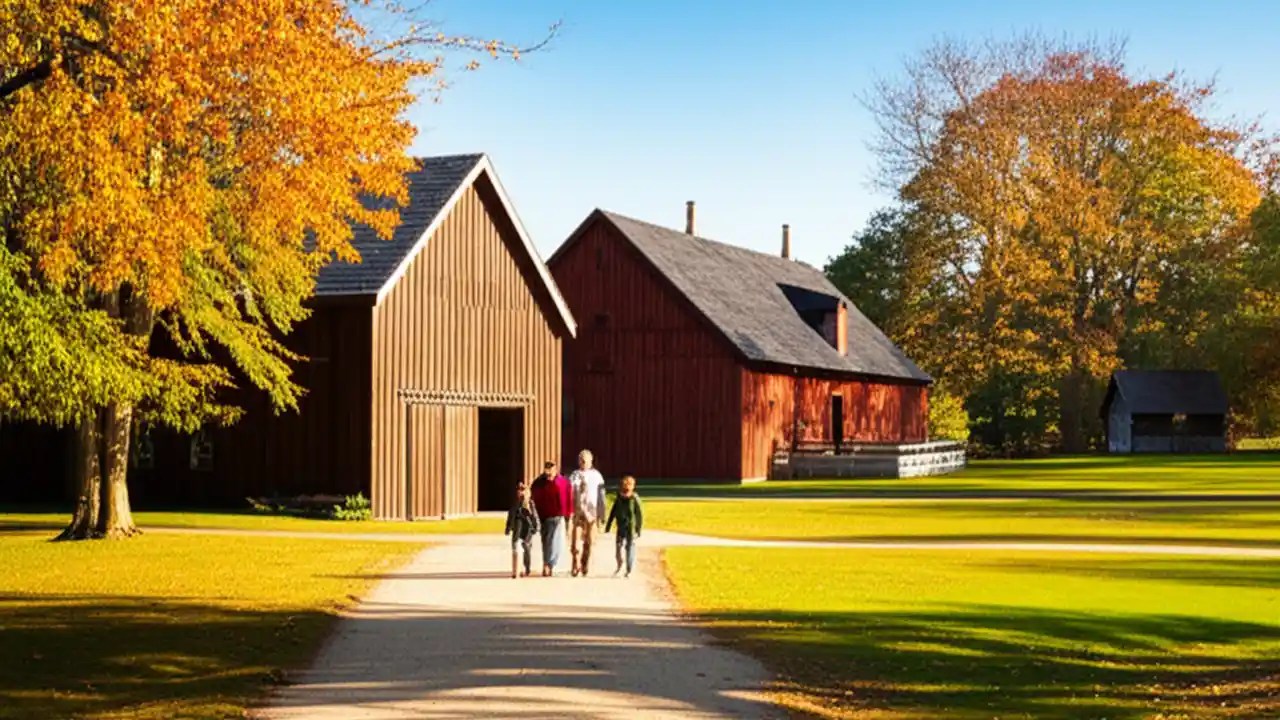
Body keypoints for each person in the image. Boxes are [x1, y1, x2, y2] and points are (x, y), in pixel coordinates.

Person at [568, 449, 607, 577]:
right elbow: (569, 493)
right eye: (581, 459)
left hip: (592, 513)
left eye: (586, 459)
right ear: (579, 461)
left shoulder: (597, 476)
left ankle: (585, 563)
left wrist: (602, 514)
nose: (584, 461)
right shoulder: (574, 475)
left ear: (591, 461)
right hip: (578, 512)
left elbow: (602, 496)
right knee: (575, 543)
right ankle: (575, 563)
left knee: (589, 541)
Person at [529, 461, 570, 576]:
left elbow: (568, 497)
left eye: (552, 469)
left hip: (559, 515)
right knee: (546, 541)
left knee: (557, 541)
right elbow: (533, 497)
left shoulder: (562, 482)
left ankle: (551, 563)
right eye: (547, 469)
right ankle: (546, 564)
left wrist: (568, 514)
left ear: (555, 469)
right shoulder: (539, 483)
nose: (550, 472)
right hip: (544, 516)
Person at [605, 475, 644, 577]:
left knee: (630, 547)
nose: (626, 489)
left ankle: (629, 569)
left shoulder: (635, 499)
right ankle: (619, 564)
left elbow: (640, 515)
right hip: (620, 527)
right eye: (624, 486)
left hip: (631, 528)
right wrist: (608, 526)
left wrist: (639, 528)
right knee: (618, 548)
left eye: (629, 486)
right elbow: (612, 513)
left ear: (632, 487)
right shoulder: (618, 499)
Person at [503, 485, 540, 578]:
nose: (521, 493)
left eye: (523, 491)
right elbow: (510, 516)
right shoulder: (515, 504)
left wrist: (535, 527)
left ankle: (526, 568)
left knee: (526, 550)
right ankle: (516, 571)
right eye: (519, 491)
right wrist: (508, 528)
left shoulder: (531, 504)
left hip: (527, 532)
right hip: (516, 531)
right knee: (515, 549)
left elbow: (535, 517)